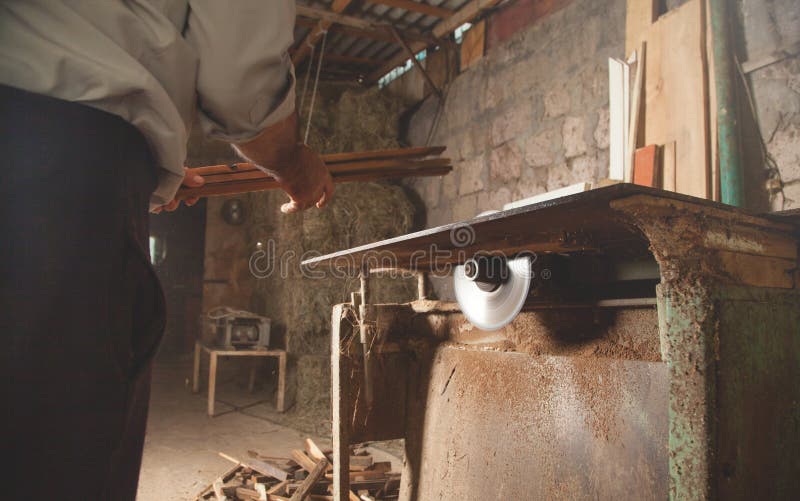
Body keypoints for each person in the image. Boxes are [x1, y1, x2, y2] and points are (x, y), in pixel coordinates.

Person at [0, 2, 332, 499]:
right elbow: (238, 80)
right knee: (60, 451)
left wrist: (158, 177)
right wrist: (290, 160)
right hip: (63, 162)